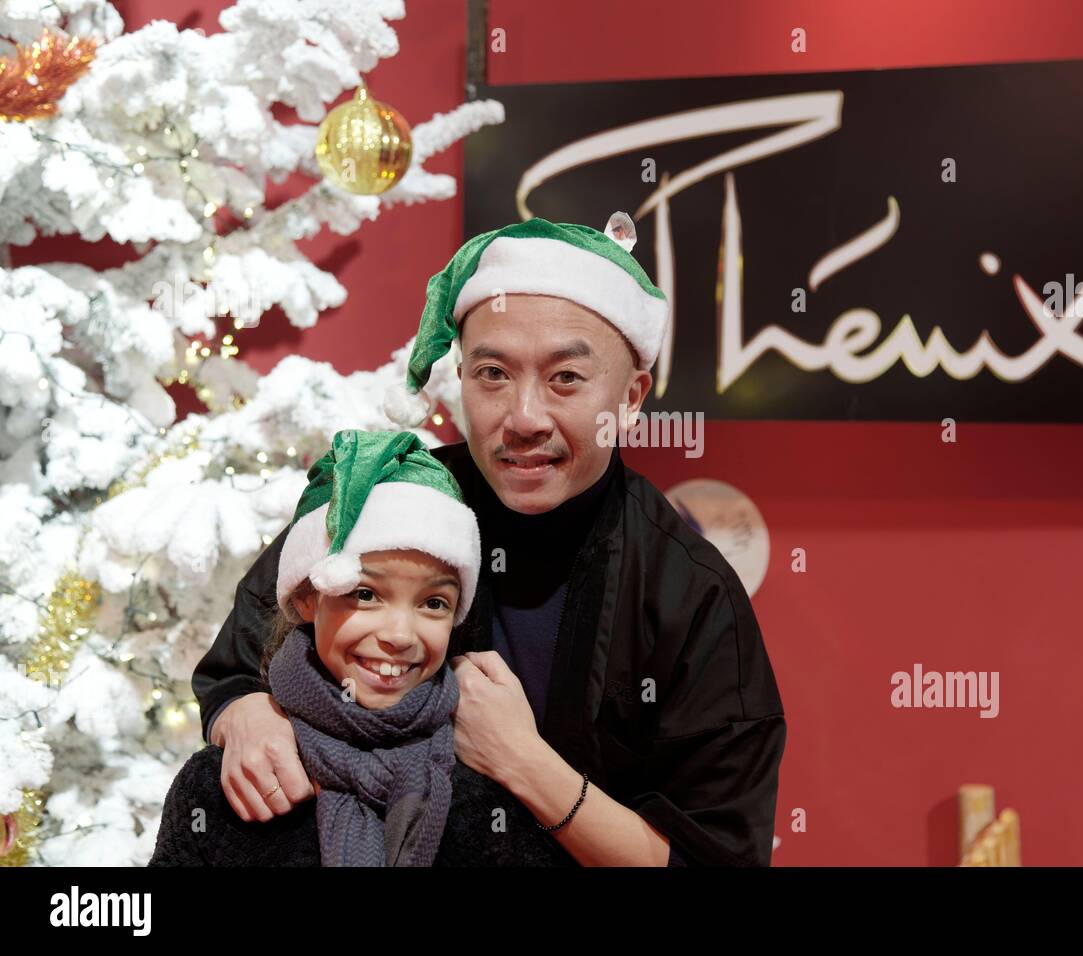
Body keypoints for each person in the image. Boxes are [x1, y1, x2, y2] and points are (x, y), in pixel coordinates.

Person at [194, 214, 787, 866]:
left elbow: (712, 860)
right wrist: (246, 714)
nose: (523, 418)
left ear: (631, 397)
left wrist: (522, 761)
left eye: (566, 378)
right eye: (493, 374)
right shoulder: (387, 500)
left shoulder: (691, 596)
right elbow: (232, 669)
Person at [152, 430, 573, 866]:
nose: (400, 634)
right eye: (366, 594)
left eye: (433, 603)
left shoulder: (486, 795)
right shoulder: (224, 782)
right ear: (307, 598)